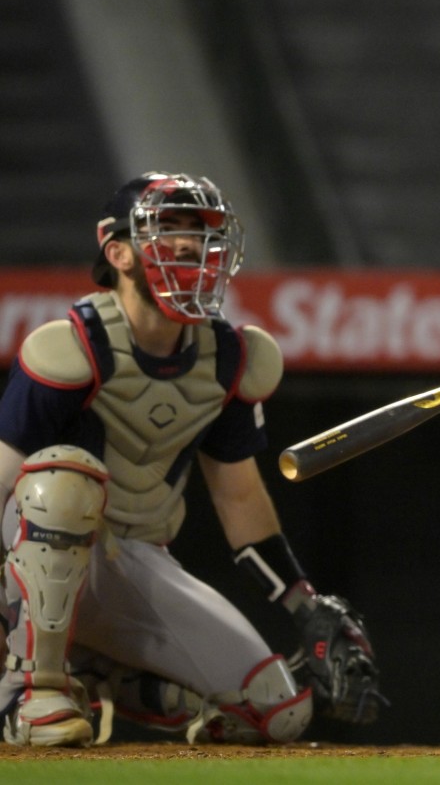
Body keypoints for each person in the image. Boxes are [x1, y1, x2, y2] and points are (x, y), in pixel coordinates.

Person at [0, 173, 384, 747]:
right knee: (64, 480)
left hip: (134, 560)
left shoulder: (231, 357)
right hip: (31, 555)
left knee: (278, 712)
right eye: (170, 228)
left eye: (201, 231)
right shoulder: (71, 346)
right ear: (118, 252)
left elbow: (239, 496)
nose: (189, 245)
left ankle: (96, 672)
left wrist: (305, 604)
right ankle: (27, 691)